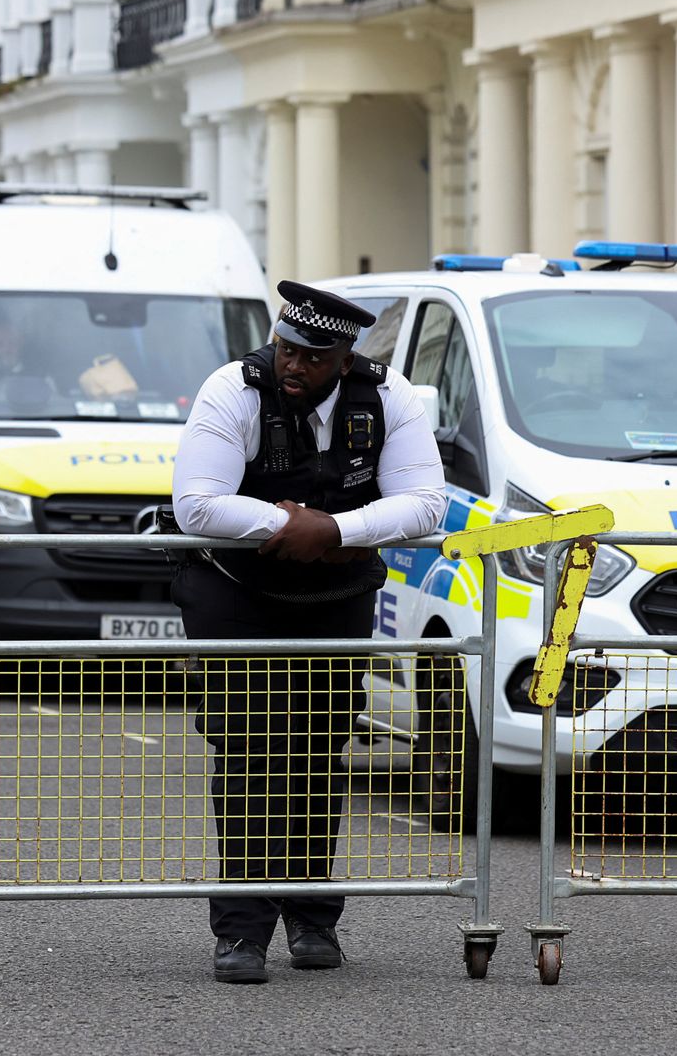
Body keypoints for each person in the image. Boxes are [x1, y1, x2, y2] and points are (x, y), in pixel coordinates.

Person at [170, 280, 447, 985]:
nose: (294, 365)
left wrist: (335, 529)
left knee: (318, 750)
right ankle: (241, 932)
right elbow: (197, 506)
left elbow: (425, 505)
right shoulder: (232, 387)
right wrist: (284, 526)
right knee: (251, 748)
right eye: (287, 349)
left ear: (345, 358)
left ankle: (313, 917)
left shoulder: (388, 397)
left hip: (335, 594)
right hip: (236, 594)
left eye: (313, 357)